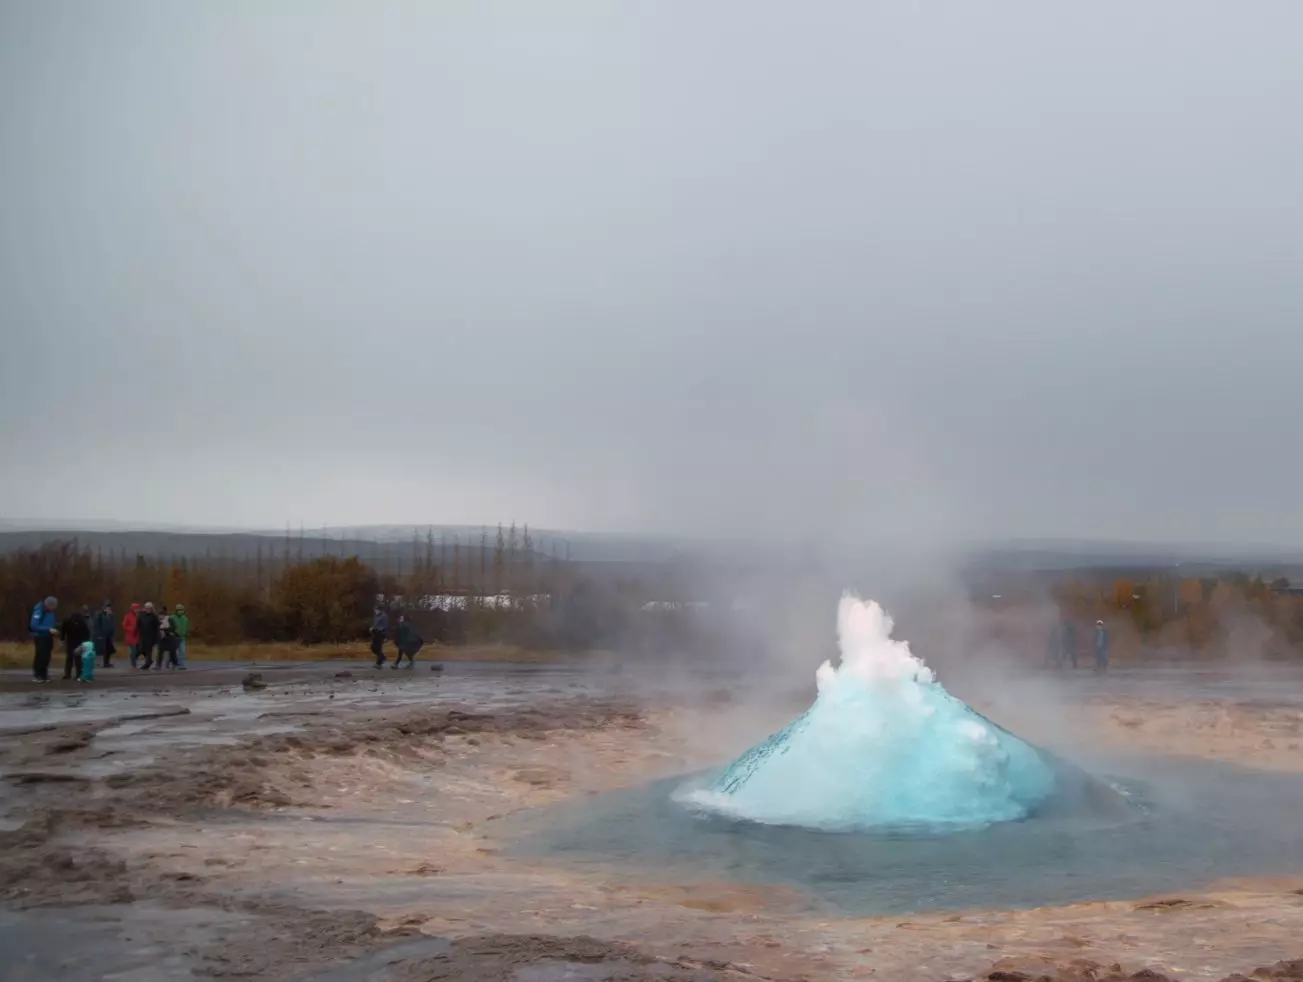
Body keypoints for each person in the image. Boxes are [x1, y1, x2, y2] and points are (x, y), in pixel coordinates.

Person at [29, 596, 59, 683]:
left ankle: (44, 674)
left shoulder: (51, 612)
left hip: (49, 636)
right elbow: (34, 626)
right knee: (40, 656)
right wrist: (48, 629)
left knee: (47, 656)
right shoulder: (39, 610)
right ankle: (37, 674)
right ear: (49, 605)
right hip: (40, 636)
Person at [61, 605, 92, 681]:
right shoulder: (82, 622)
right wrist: (86, 642)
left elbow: (63, 631)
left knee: (69, 658)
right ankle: (78, 674)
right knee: (78, 659)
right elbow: (87, 632)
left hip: (70, 640)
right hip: (79, 641)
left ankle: (67, 674)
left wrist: (62, 639)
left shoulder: (67, 621)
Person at [92, 600, 116, 668]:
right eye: (106, 606)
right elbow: (97, 625)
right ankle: (100, 663)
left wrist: (112, 634)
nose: (108, 608)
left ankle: (106, 662)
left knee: (108, 649)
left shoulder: (111, 615)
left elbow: (112, 625)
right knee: (101, 650)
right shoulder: (99, 614)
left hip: (108, 635)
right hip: (101, 635)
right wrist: (98, 634)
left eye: (108, 606)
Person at [137, 602, 160, 670]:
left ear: (151, 609)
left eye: (149, 608)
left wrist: (156, 637)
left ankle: (147, 663)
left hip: (151, 636)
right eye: (146, 608)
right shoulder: (142, 616)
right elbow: (139, 624)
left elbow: (157, 627)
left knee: (148, 650)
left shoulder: (154, 616)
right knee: (142, 650)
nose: (147, 609)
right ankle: (149, 661)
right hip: (143, 635)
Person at [157, 605, 178, 669]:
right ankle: (158, 664)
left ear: (164, 615)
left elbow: (174, 627)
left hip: (170, 638)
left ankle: (174, 664)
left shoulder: (169, 619)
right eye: (160, 615)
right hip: (162, 638)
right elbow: (157, 629)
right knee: (160, 651)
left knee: (172, 652)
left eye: (162, 615)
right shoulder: (158, 621)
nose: (160, 616)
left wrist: (168, 631)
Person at [172, 603, 191, 670]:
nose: (181, 611)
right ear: (176, 610)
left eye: (182, 610)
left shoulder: (185, 618)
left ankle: (181, 664)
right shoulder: (172, 618)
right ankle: (174, 663)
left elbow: (187, 626)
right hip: (174, 637)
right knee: (175, 651)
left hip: (182, 637)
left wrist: (187, 633)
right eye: (179, 610)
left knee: (182, 651)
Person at [123, 603, 141, 668]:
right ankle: (134, 664)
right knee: (134, 650)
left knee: (139, 650)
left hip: (138, 636)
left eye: (137, 609)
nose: (136, 610)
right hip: (130, 636)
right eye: (135, 609)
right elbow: (124, 625)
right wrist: (131, 629)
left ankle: (133, 658)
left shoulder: (139, 616)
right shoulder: (128, 616)